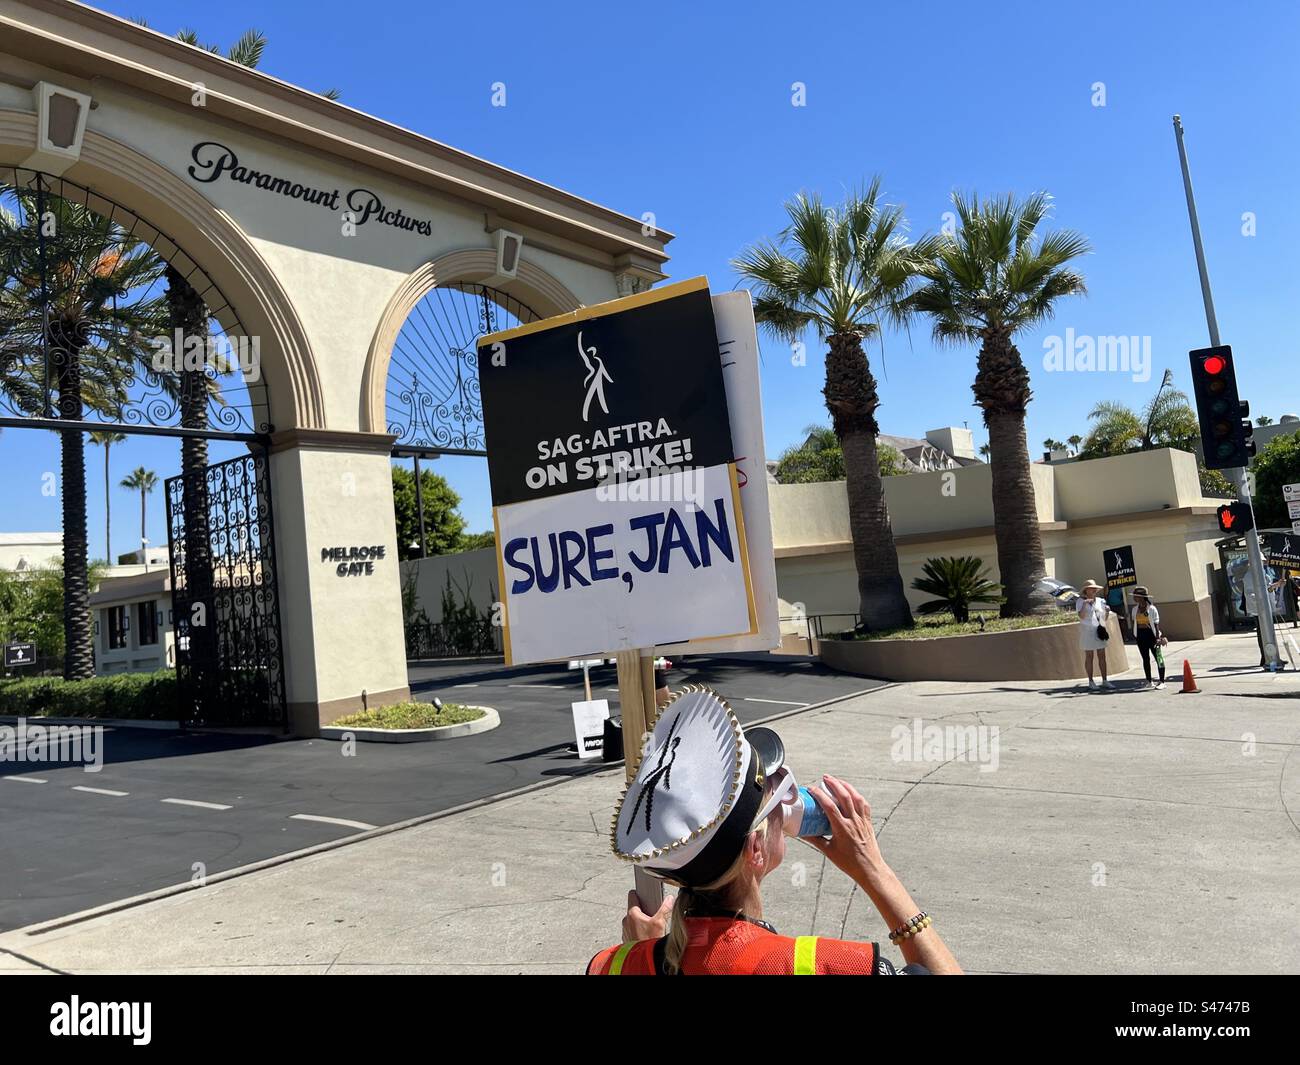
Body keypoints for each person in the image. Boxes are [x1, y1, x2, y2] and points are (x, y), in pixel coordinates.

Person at [587, 685, 962, 975]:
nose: (788, 806)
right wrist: (875, 871)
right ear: (756, 850)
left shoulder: (609, 965)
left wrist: (644, 955)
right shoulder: (833, 966)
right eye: (778, 795)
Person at [1128, 586, 1167, 689]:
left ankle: (1162, 681)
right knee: (1145, 658)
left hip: (1152, 635)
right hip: (1140, 635)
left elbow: (1156, 623)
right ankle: (1149, 680)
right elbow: (1134, 622)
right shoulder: (1135, 609)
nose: (1134, 598)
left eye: (1136, 596)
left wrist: (1158, 638)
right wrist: (1135, 635)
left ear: (1142, 597)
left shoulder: (1152, 609)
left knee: (1158, 657)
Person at [1077, 579, 1113, 691]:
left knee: (1102, 655)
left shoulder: (1101, 601)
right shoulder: (1080, 601)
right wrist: (1085, 604)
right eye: (1091, 588)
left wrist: (1107, 611)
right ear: (1086, 590)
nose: (1094, 590)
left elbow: (1104, 618)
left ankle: (1105, 680)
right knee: (1089, 656)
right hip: (1087, 631)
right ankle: (1091, 681)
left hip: (1099, 630)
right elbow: (1081, 616)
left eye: (1095, 588)